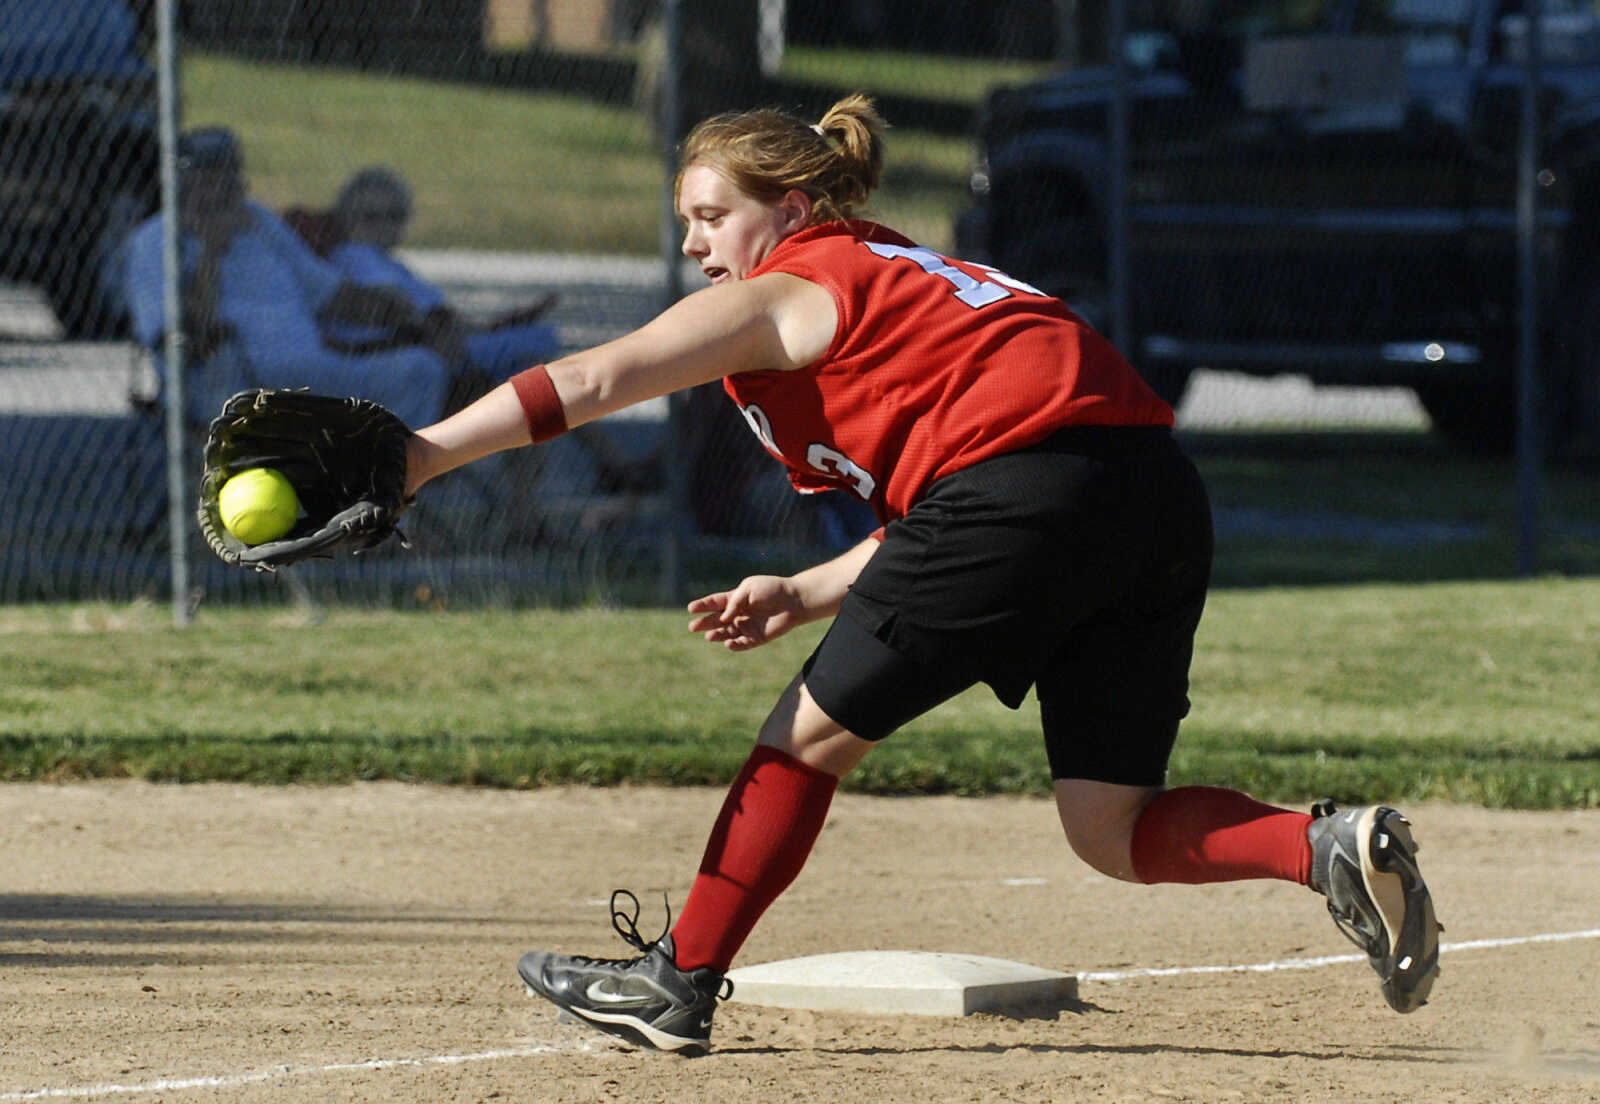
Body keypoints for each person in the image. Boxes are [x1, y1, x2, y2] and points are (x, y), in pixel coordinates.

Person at [397, 94, 1441, 1055]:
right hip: (1150, 492)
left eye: (713, 215)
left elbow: (589, 378)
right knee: (1110, 828)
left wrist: (422, 456)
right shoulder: (897, 269)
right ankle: (1321, 848)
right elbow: (972, 485)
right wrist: (807, 592)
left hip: (1025, 498)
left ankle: (679, 982)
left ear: (790, 207)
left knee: (804, 738)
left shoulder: (790, 285)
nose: (693, 244)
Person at [123, 126, 450, 428]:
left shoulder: (259, 223)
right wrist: (211, 250)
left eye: (227, 178)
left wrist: (409, 313)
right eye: (206, 181)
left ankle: (374, 484)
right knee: (225, 369)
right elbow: (182, 338)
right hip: (235, 387)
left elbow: (333, 296)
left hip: (315, 372)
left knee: (421, 369)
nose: (219, 192)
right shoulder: (155, 241)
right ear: (180, 187)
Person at [322, 166, 562, 392]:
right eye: (371, 217)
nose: (383, 226)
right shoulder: (354, 255)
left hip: (435, 345)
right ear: (349, 216)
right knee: (538, 347)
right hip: (404, 351)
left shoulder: (390, 264)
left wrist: (496, 325)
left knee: (533, 362)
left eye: (393, 216)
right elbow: (393, 306)